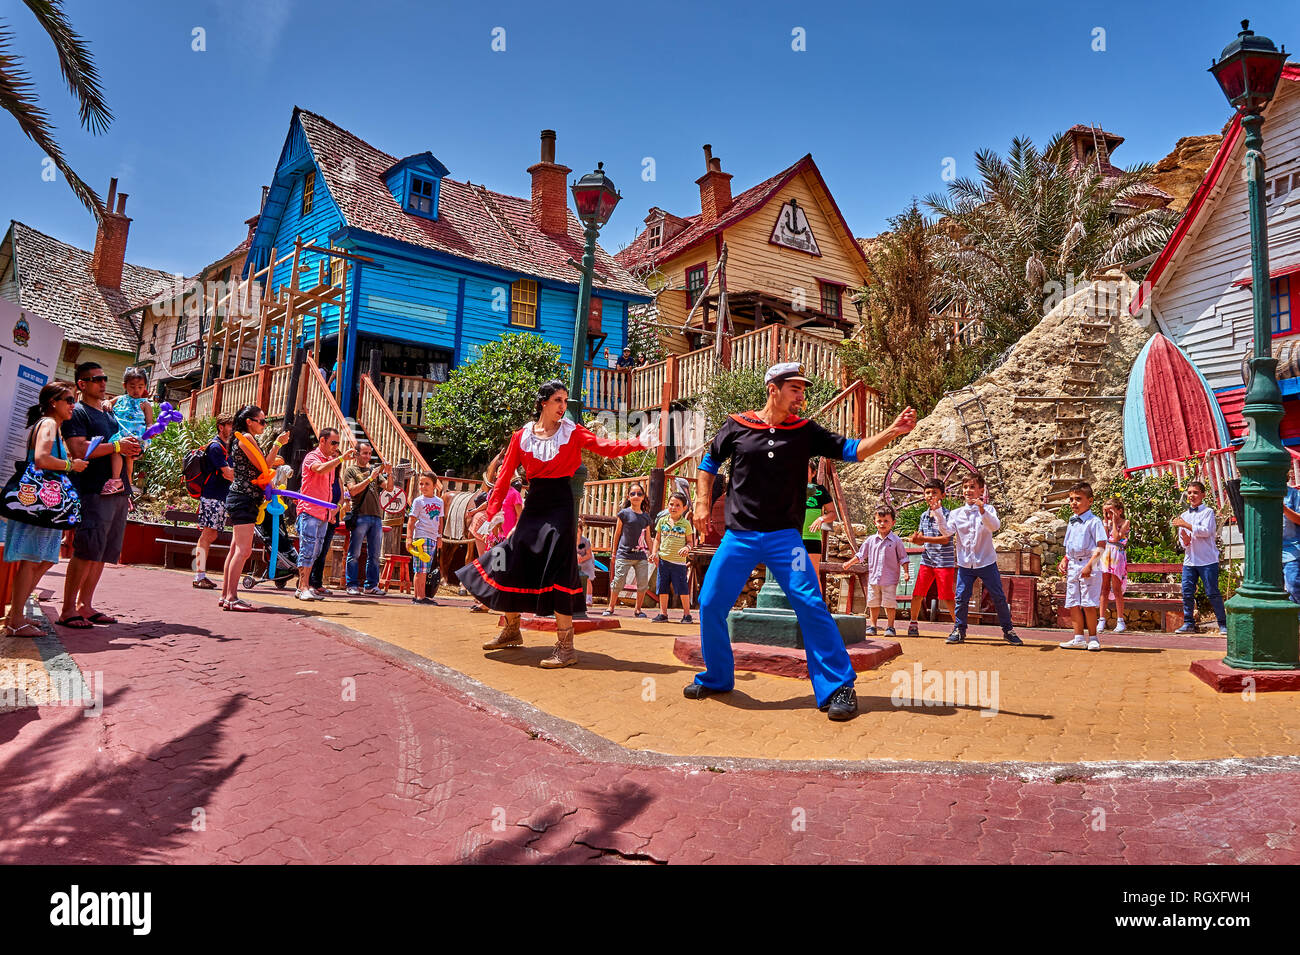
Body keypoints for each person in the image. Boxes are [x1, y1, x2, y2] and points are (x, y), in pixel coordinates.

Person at [686, 362, 917, 721]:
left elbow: (854, 450)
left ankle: (838, 687)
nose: (801, 397)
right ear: (772, 389)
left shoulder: (805, 431)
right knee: (710, 602)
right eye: (795, 389)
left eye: (802, 390)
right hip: (740, 537)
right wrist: (701, 502)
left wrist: (892, 431)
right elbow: (709, 462)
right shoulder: (737, 425)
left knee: (811, 605)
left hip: (785, 541)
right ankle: (716, 677)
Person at [457, 379, 649, 668]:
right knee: (510, 558)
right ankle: (511, 629)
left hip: (561, 504)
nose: (563, 406)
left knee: (559, 567)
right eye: (558, 400)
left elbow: (606, 447)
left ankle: (565, 646)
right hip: (534, 504)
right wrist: (493, 512)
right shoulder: (521, 436)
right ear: (543, 402)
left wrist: (639, 442)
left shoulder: (572, 432)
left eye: (564, 401)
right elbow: (505, 475)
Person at [57, 361, 143, 629]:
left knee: (103, 552)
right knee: (86, 550)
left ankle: (86, 605)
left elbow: (120, 443)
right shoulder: (78, 413)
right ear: (82, 384)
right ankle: (68, 608)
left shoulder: (109, 414)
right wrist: (117, 445)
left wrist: (131, 448)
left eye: (105, 377)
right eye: (97, 379)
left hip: (117, 490)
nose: (104, 382)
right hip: (93, 489)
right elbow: (78, 450)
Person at [2, 383, 87, 637]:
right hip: (40, 503)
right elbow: (41, 458)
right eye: (69, 400)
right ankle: (16, 619)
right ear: (53, 402)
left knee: (43, 559)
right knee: (32, 560)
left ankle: (15, 613)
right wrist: (72, 465)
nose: (73, 405)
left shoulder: (53, 426)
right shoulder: (49, 424)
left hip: (42, 504)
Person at [932, 473, 1021, 645]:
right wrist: (937, 513)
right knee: (961, 597)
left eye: (972, 487)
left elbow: (994, 526)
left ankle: (1008, 630)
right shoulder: (957, 513)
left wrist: (982, 510)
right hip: (966, 563)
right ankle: (959, 630)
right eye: (965, 487)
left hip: (986, 562)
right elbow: (946, 532)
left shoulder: (989, 510)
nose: (968, 490)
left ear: (981, 490)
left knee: (998, 597)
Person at [220, 405, 289, 611]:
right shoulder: (246, 438)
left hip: (241, 497)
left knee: (235, 549)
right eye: (261, 421)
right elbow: (264, 465)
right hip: (244, 498)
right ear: (249, 421)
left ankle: (225, 595)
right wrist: (278, 443)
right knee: (243, 550)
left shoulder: (241, 438)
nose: (264, 425)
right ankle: (231, 597)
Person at [296, 428, 352, 601]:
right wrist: (341, 458)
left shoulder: (330, 460)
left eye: (338, 443)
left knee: (315, 551)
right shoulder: (312, 457)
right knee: (308, 548)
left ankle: (304, 586)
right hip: (310, 511)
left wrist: (334, 508)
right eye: (333, 443)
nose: (336, 447)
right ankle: (303, 586)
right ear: (322, 441)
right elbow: (318, 470)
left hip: (324, 514)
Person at [842, 503, 909, 636]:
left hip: (889, 579)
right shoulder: (871, 540)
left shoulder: (896, 541)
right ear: (875, 522)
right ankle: (873, 625)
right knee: (873, 603)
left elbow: (903, 558)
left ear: (893, 522)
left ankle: (890, 627)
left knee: (889, 603)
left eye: (886, 521)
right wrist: (849, 563)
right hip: (874, 578)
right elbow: (861, 555)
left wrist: (906, 572)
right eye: (879, 521)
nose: (882, 524)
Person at [1057, 482, 1108, 651]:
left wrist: (1090, 566)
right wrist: (1065, 559)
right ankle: (1078, 637)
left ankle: (1093, 637)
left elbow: (1101, 546)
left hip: (1088, 565)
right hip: (1073, 565)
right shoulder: (1072, 522)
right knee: (1073, 601)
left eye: (1078, 499)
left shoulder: (1094, 521)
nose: (1073, 503)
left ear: (1090, 501)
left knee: (1088, 603)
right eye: (1071, 499)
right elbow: (1070, 545)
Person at [1173, 480, 1227, 635]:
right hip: (1190, 560)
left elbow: (1206, 531)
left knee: (1212, 592)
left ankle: (1223, 624)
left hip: (1207, 560)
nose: (1192, 495)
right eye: (1189, 492)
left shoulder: (1208, 512)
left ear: (1203, 495)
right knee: (1187, 592)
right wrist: (1185, 539)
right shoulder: (1184, 515)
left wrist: (1186, 525)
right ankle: (1189, 623)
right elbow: (1184, 543)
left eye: (1195, 492)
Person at [343, 441, 394, 596]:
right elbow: (352, 491)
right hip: (360, 516)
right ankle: (351, 584)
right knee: (355, 553)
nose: (368, 456)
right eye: (365, 453)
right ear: (357, 454)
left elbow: (390, 488)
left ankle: (371, 585)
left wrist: (389, 473)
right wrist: (371, 478)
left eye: (369, 453)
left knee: (374, 554)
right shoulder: (351, 471)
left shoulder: (374, 471)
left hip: (376, 516)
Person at [908, 478, 955, 636]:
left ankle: (958, 626)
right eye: (927, 492)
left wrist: (923, 539)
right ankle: (913, 623)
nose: (930, 495)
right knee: (917, 593)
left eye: (934, 492)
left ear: (943, 495)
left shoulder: (948, 515)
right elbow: (921, 535)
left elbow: (945, 539)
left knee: (947, 596)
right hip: (927, 560)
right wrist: (915, 538)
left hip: (944, 561)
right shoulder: (923, 516)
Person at [193, 413, 234, 589]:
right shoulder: (216, 447)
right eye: (230, 425)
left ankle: (199, 574)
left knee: (211, 535)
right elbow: (228, 473)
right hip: (212, 497)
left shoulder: (227, 447)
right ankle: (198, 575)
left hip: (219, 497)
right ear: (221, 427)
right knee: (207, 535)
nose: (233, 429)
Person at [604, 480, 653, 618]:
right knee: (618, 581)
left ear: (643, 497)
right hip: (624, 554)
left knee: (643, 583)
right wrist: (613, 553)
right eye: (633, 493)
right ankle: (611, 607)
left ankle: (638, 610)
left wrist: (653, 553)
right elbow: (617, 534)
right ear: (628, 497)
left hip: (641, 556)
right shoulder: (624, 514)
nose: (636, 496)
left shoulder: (645, 517)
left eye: (639, 493)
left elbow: (648, 538)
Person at [104, 367, 155, 496]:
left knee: (129, 458)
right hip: (120, 435)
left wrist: (151, 431)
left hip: (136, 437)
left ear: (145, 387)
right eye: (132, 386)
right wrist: (108, 403)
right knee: (116, 450)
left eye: (140, 386)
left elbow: (149, 423)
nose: (136, 390)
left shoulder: (145, 404)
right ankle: (119, 481)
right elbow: (107, 402)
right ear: (124, 385)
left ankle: (126, 482)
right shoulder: (120, 399)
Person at [651, 491, 695, 624]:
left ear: (684, 508)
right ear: (667, 505)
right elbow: (657, 539)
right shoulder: (662, 521)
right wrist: (654, 552)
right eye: (671, 504)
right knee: (662, 587)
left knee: (682, 588)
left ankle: (687, 615)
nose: (673, 507)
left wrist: (687, 548)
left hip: (679, 563)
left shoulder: (686, 524)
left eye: (677, 505)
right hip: (663, 561)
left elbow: (690, 542)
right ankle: (663, 613)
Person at [407, 471, 444, 605]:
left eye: (427, 484)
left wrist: (439, 537)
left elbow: (440, 520)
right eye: (421, 484)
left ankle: (418, 595)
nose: (423, 487)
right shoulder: (418, 501)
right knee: (420, 569)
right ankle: (420, 597)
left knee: (425, 568)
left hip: (433, 537)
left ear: (434, 485)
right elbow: (411, 521)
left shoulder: (439, 501)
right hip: (421, 537)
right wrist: (409, 538)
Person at [1097, 496, 1130, 634]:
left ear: (1119, 510)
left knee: (1116, 589)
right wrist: (1106, 521)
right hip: (1106, 554)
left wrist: (1115, 521)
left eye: (1111, 511)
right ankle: (1101, 619)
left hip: (1117, 554)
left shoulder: (1125, 522)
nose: (1109, 515)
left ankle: (1120, 620)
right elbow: (1105, 538)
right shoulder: (1107, 523)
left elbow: (1116, 538)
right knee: (1104, 588)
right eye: (1106, 512)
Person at [802, 460, 836, 584]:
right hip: (795, 539)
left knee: (812, 576)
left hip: (812, 539)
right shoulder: (790, 490)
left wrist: (821, 519)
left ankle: (817, 604)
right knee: (798, 576)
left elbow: (832, 513)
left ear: (813, 473)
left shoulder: (820, 490)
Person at [1284, 478, 1300, 615]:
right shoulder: (1263, 495)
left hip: (1291, 548)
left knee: (1293, 584)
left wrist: (1283, 509)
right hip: (1270, 550)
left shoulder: (1293, 494)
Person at [577, 520, 596, 607]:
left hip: (586, 560)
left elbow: (589, 554)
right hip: (576, 561)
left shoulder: (584, 541)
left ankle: (588, 599)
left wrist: (582, 559)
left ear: (581, 530)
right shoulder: (570, 540)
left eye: (578, 530)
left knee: (587, 579)